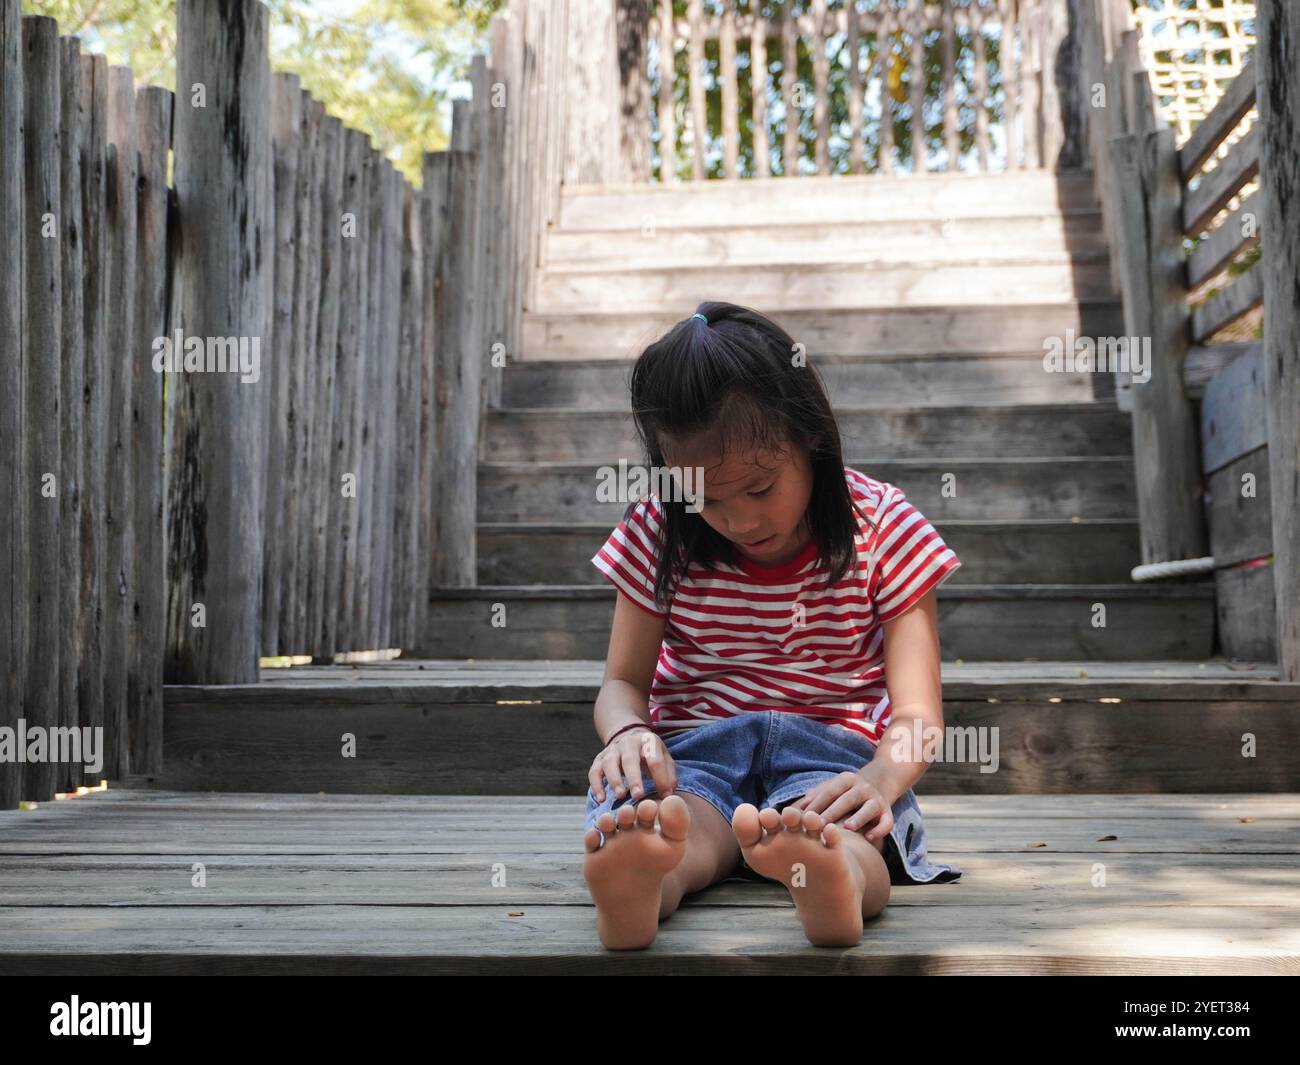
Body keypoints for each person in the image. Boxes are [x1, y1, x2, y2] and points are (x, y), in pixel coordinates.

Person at [582, 301, 964, 951]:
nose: (736, 519)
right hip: (696, 752)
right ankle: (646, 883)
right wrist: (628, 731)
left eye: (759, 488)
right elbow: (621, 681)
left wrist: (879, 781)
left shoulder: (884, 527)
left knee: (843, 830)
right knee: (676, 824)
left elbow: (918, 716)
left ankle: (834, 878)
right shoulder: (658, 531)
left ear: (810, 436)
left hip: (833, 758)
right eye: (704, 498)